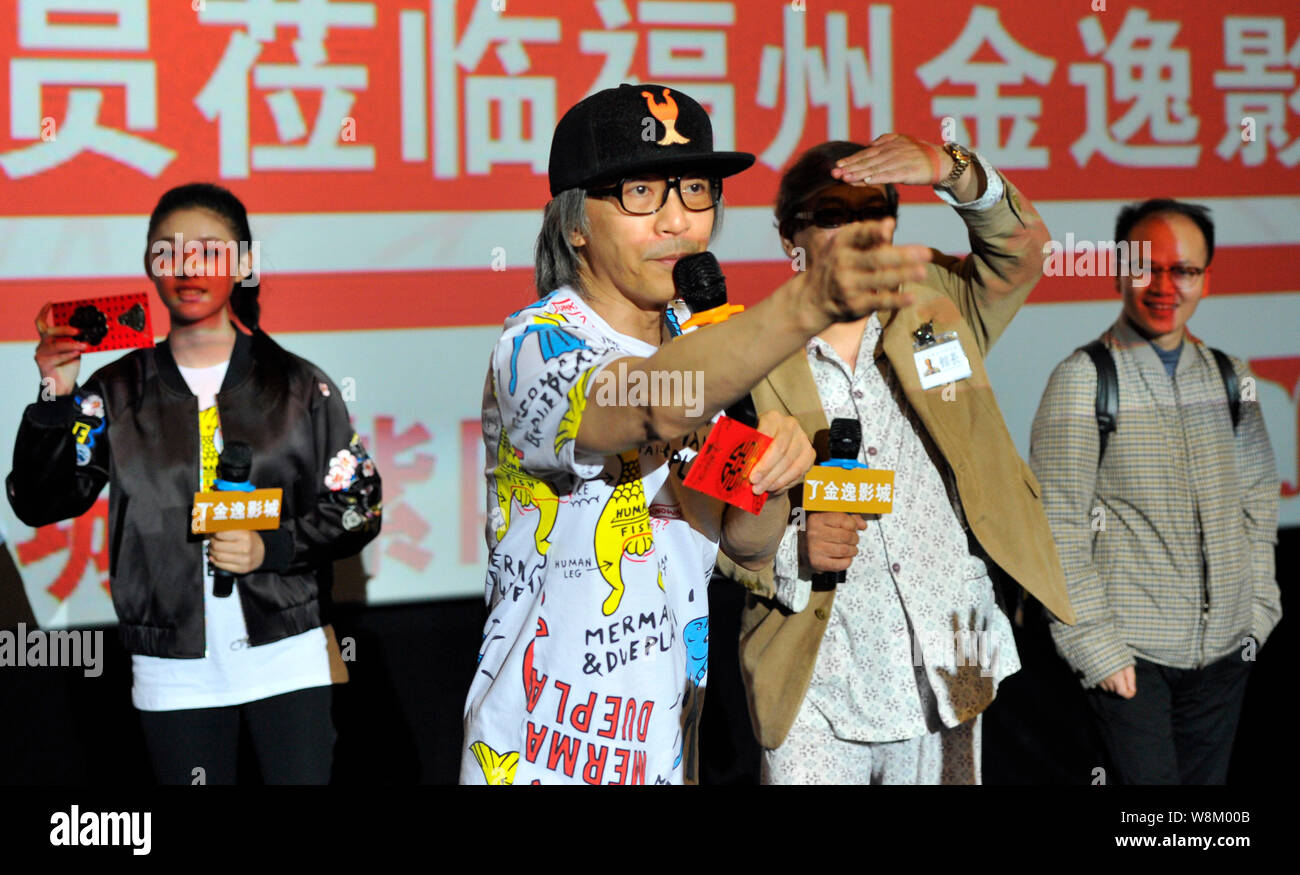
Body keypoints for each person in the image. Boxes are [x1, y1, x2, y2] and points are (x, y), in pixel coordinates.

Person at [460, 85, 933, 785]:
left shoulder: (704, 347)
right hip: (539, 753)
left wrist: (770, 466)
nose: (678, 220)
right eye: (642, 193)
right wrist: (803, 306)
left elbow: (745, 538)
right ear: (576, 224)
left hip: (667, 747)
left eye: (695, 191)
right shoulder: (536, 347)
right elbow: (651, 403)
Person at [715, 137, 1076, 785]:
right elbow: (702, 516)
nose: (859, 230)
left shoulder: (935, 304)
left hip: (949, 658)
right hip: (818, 674)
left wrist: (952, 170)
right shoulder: (743, 350)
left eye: (874, 208)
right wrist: (792, 546)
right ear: (788, 236)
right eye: (833, 213)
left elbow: (1021, 252)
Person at [7, 183, 383, 785]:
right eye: (168, 251)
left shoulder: (296, 386)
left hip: (289, 659)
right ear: (150, 266)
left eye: (208, 250)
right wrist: (55, 392)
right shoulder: (115, 392)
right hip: (172, 671)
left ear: (244, 264)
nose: (187, 267)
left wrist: (272, 547)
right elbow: (41, 500)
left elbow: (359, 506)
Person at [1029, 199, 1280, 784]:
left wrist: (1259, 610)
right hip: (1132, 657)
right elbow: (1057, 526)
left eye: (1184, 270)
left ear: (1206, 279)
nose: (1164, 286)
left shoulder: (1230, 373)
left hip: (1224, 652)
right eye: (1147, 267)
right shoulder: (1085, 378)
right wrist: (1096, 647)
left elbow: (1259, 497)